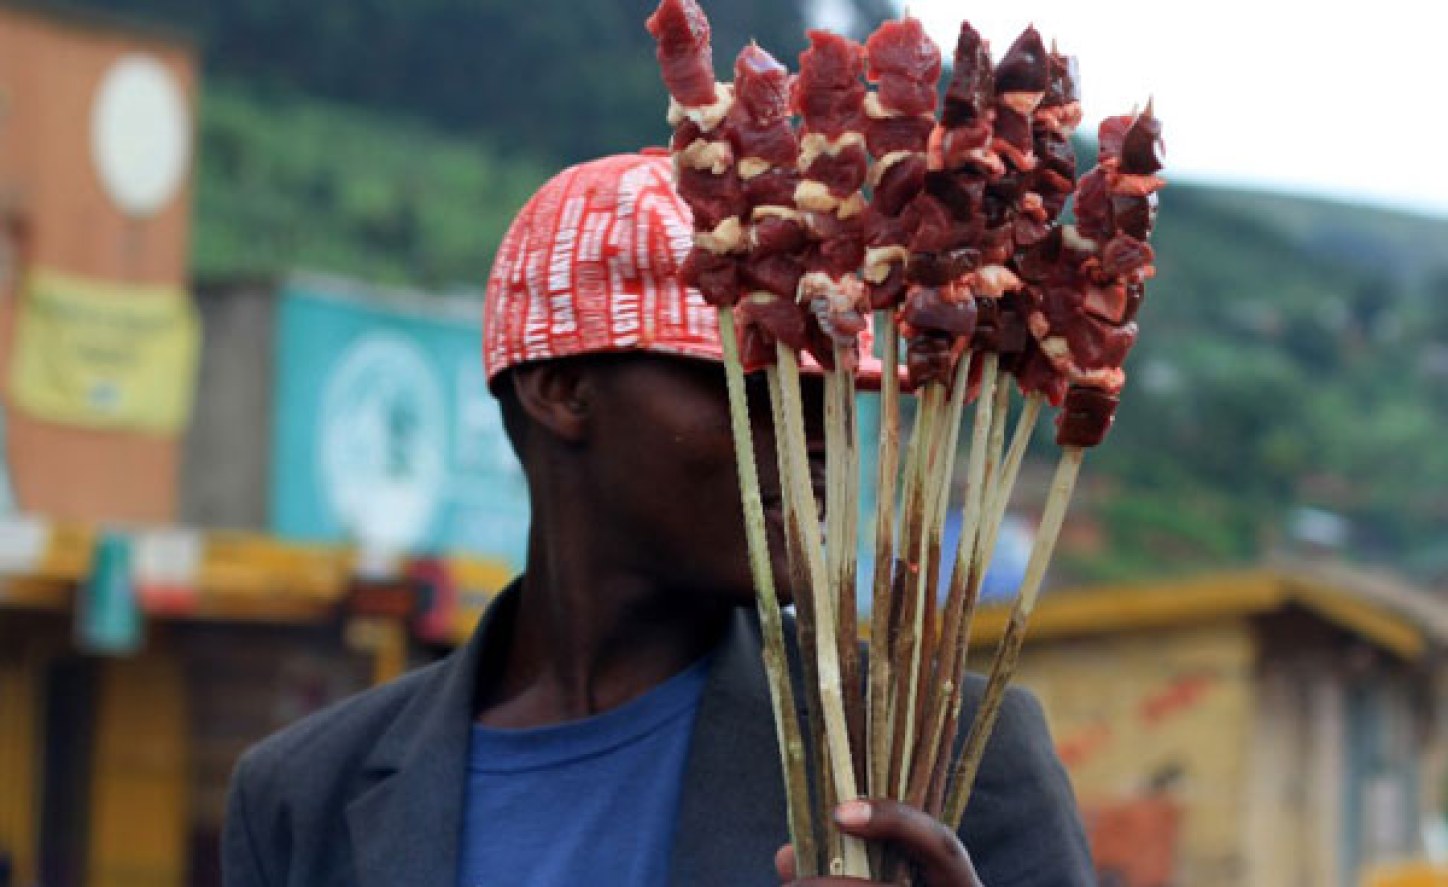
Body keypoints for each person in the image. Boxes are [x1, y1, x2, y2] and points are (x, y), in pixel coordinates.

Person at [222, 151, 1094, 886]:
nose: (814, 441)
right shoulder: (305, 796)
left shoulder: (942, 760)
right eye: (758, 390)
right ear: (562, 390)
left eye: (828, 395)